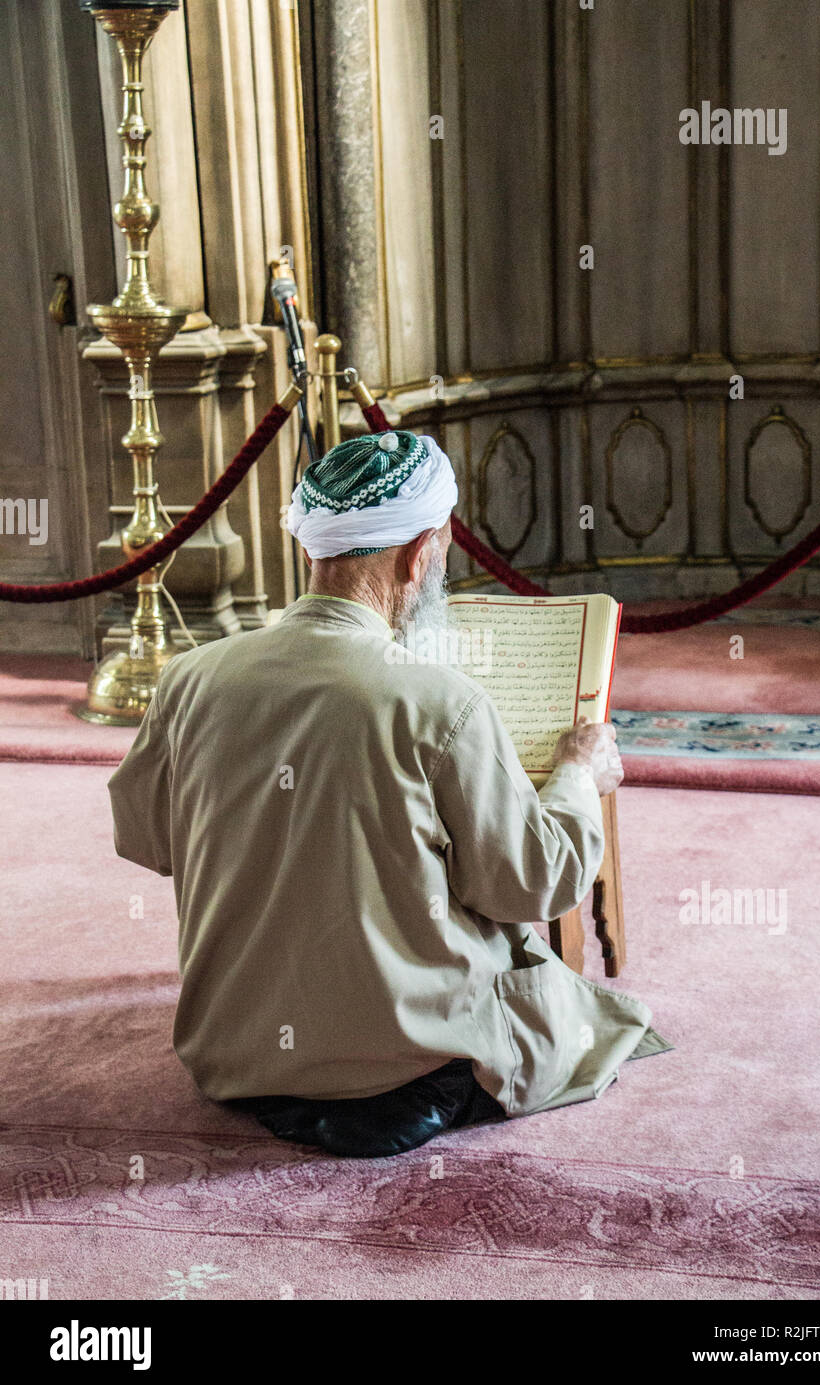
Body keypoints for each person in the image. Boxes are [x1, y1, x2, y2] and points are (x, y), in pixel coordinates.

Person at [108, 429, 671, 1158]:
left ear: (310, 547)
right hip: (404, 1072)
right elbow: (531, 884)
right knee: (574, 1014)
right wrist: (575, 776)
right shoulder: (441, 702)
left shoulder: (190, 677)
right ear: (419, 554)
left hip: (233, 1057)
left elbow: (144, 837)